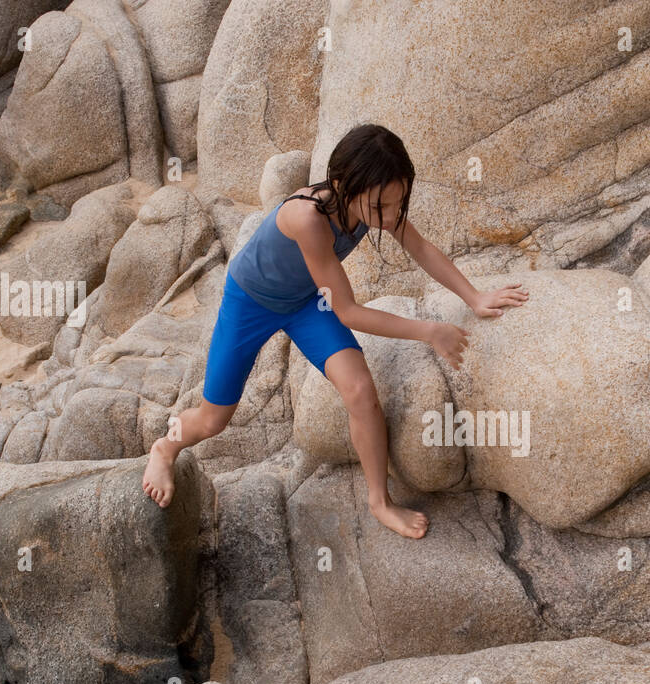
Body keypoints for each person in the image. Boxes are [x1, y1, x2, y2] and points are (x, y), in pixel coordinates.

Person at [141, 123, 529, 537]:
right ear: (344, 186)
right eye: (381, 207)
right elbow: (348, 312)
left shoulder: (377, 201)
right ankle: (165, 447)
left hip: (308, 300)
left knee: (360, 391)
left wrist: (473, 296)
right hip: (250, 303)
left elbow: (420, 248)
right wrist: (430, 331)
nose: (390, 217)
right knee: (213, 418)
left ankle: (379, 502)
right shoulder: (307, 217)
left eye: (397, 204)